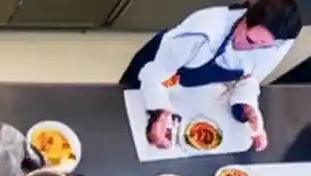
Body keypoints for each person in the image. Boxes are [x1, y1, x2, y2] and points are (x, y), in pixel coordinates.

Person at [119, 0, 301, 152]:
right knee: (122, 123)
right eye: (250, 40)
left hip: (187, 89)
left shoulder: (276, 43)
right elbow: (154, 74)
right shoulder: (204, 31)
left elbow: (249, 77)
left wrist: (248, 108)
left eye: (262, 46)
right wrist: (159, 110)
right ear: (244, 20)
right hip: (160, 65)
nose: (250, 49)